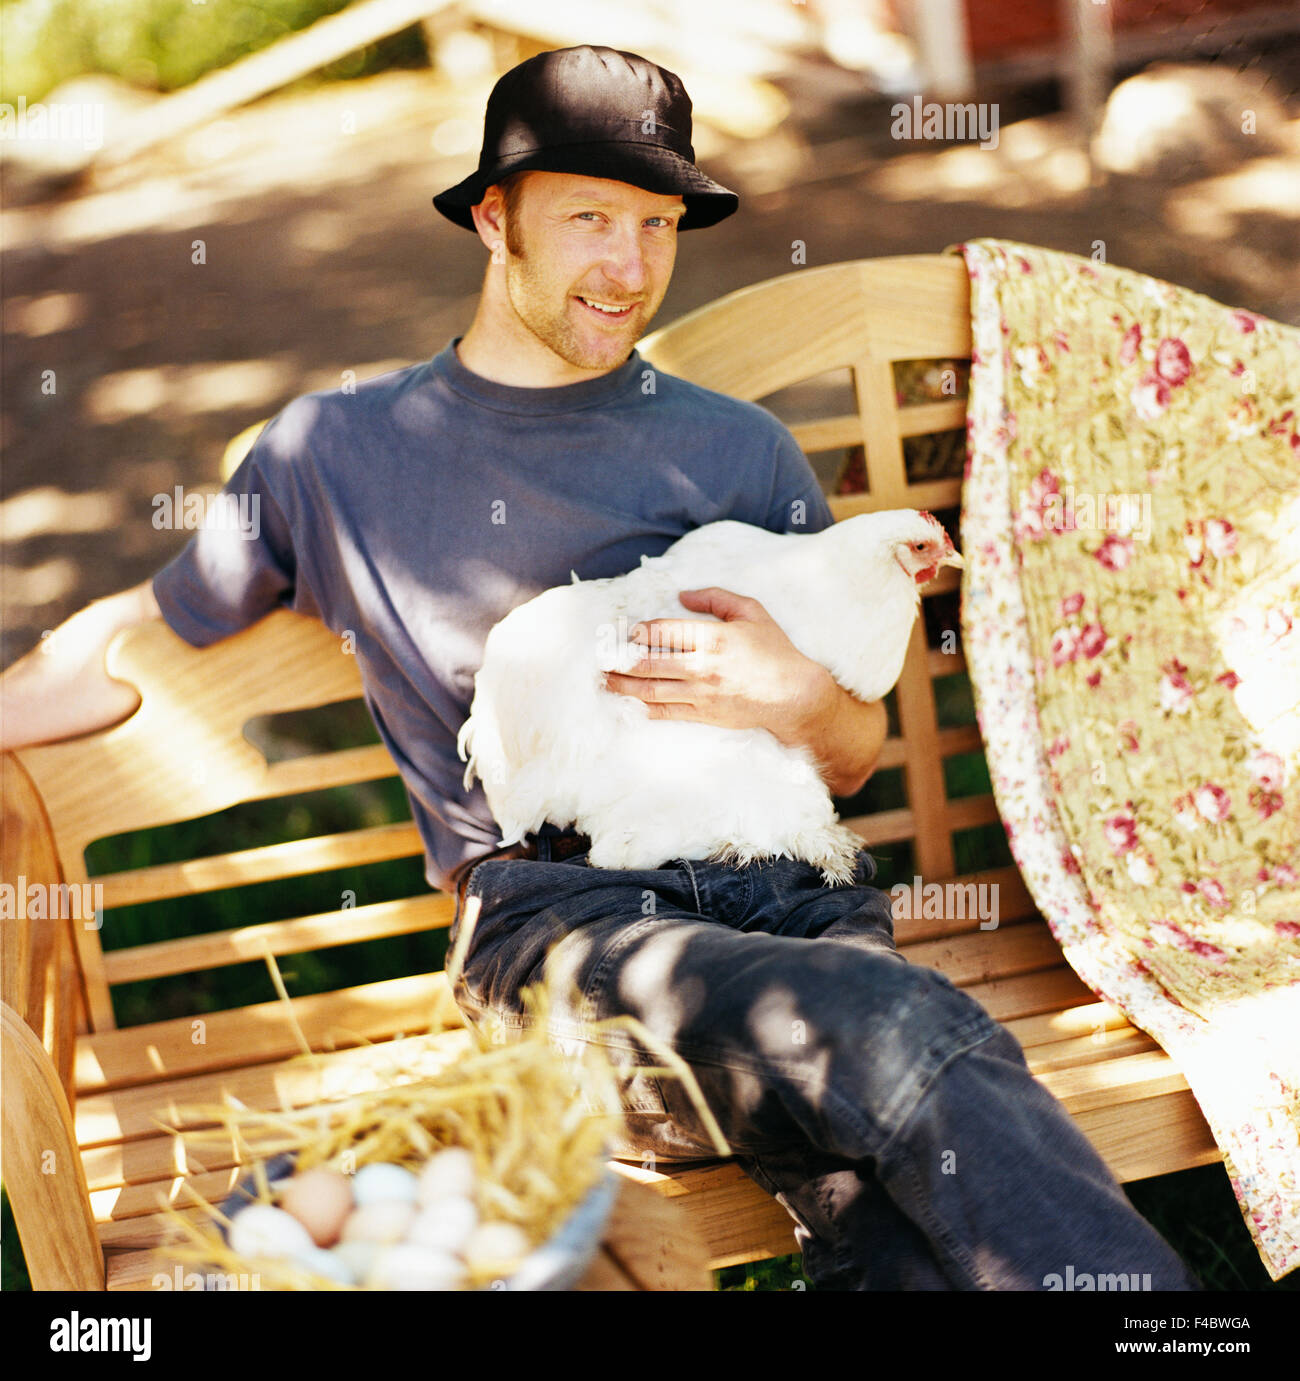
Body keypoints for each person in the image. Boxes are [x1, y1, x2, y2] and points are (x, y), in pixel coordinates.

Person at [2, 45, 1198, 1291]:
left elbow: (847, 756)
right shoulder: (337, 454)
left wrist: (785, 692)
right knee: (888, 1027)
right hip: (563, 932)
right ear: (491, 216)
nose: (627, 269)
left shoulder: (738, 450)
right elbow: (128, 636)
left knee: (891, 1215)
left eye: (657, 225)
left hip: (791, 903)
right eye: (587, 219)